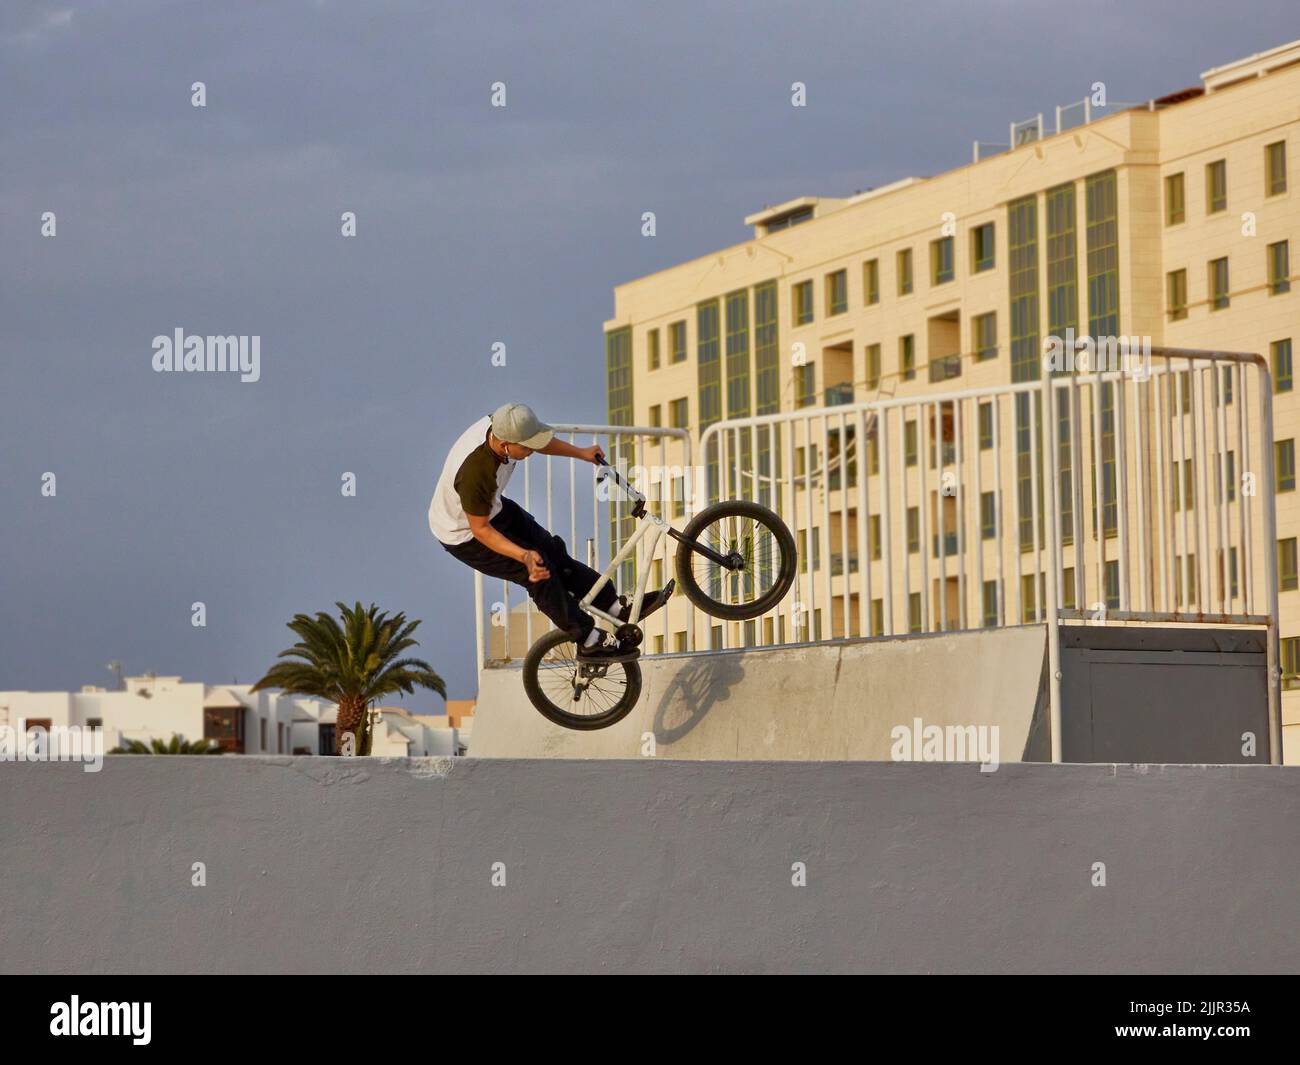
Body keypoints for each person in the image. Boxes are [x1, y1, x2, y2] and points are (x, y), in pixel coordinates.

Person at [431, 403, 671, 660]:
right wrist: (523, 555)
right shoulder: (476, 472)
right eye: (526, 448)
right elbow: (481, 530)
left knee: (552, 550)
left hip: (492, 508)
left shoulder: (504, 425)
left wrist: (581, 453)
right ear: (505, 445)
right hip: (464, 534)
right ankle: (587, 639)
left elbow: (539, 442)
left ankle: (614, 606)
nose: (531, 451)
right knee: (538, 572)